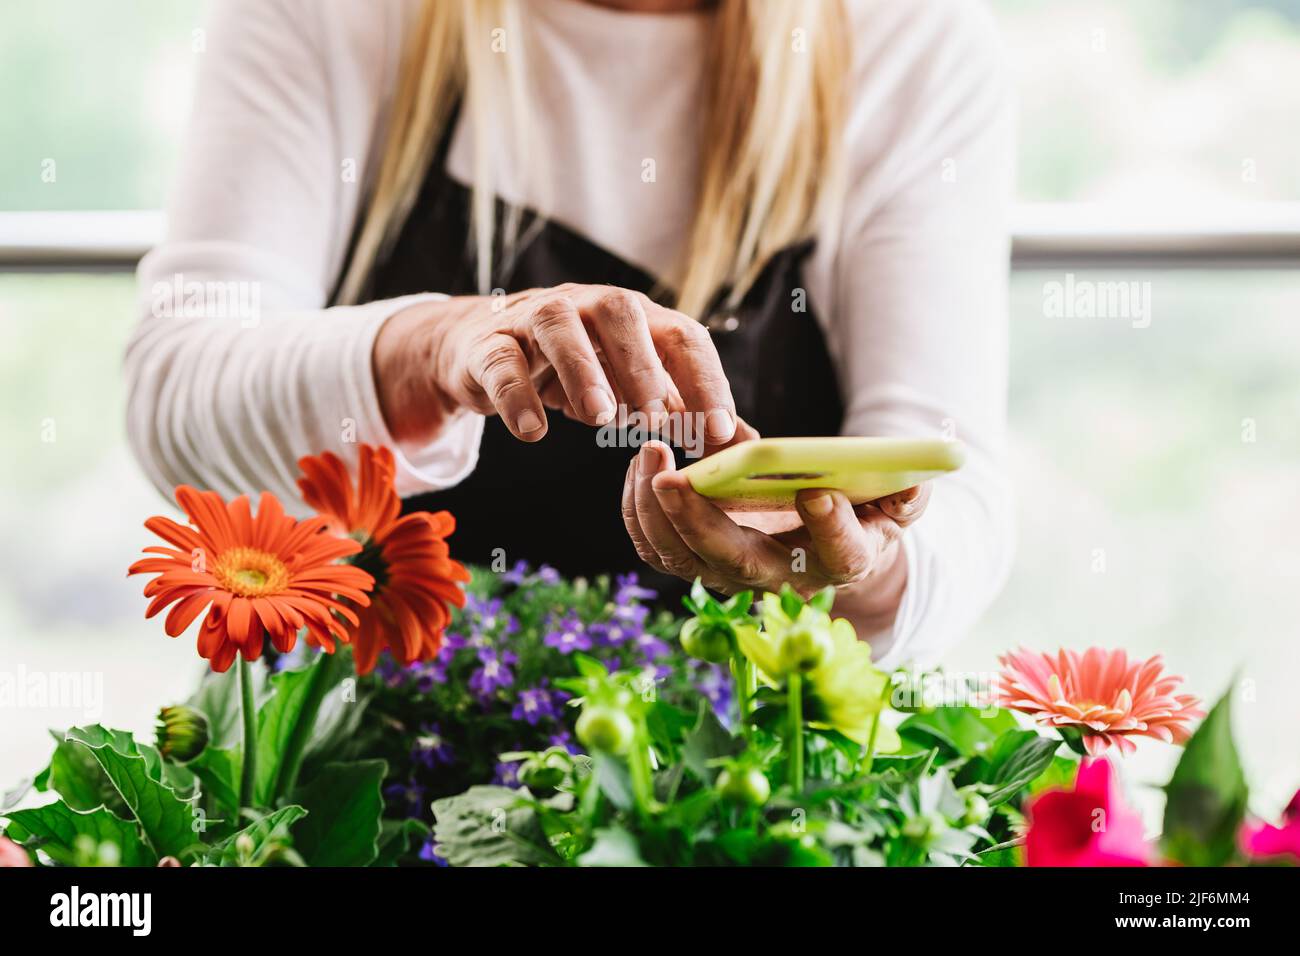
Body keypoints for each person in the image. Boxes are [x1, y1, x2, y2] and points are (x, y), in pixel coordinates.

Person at [127, 0, 1015, 667]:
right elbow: (176, 390)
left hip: (739, 790)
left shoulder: (911, 40)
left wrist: (860, 569)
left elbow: (952, 487)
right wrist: (434, 347)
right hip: (364, 770)